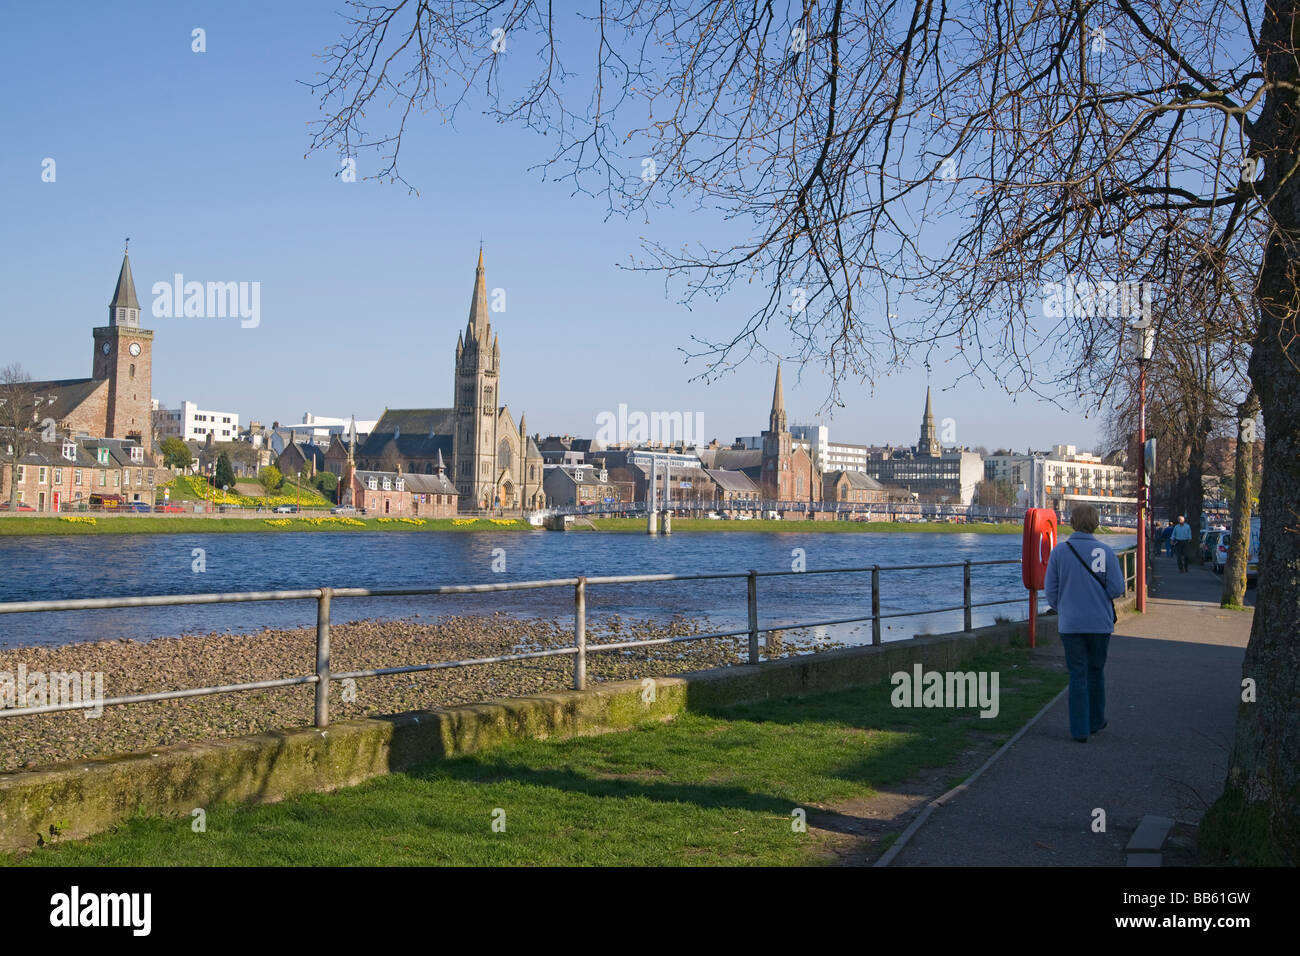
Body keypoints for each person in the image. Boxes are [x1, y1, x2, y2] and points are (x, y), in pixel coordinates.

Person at [1044, 503, 1126, 743]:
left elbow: (1051, 590)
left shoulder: (1059, 552)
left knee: (1077, 674)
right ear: (1096, 522)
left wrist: (1065, 608)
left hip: (1071, 624)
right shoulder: (1106, 552)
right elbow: (1117, 588)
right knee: (1096, 671)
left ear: (1072, 522)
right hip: (1099, 623)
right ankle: (1096, 720)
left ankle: (1079, 729)